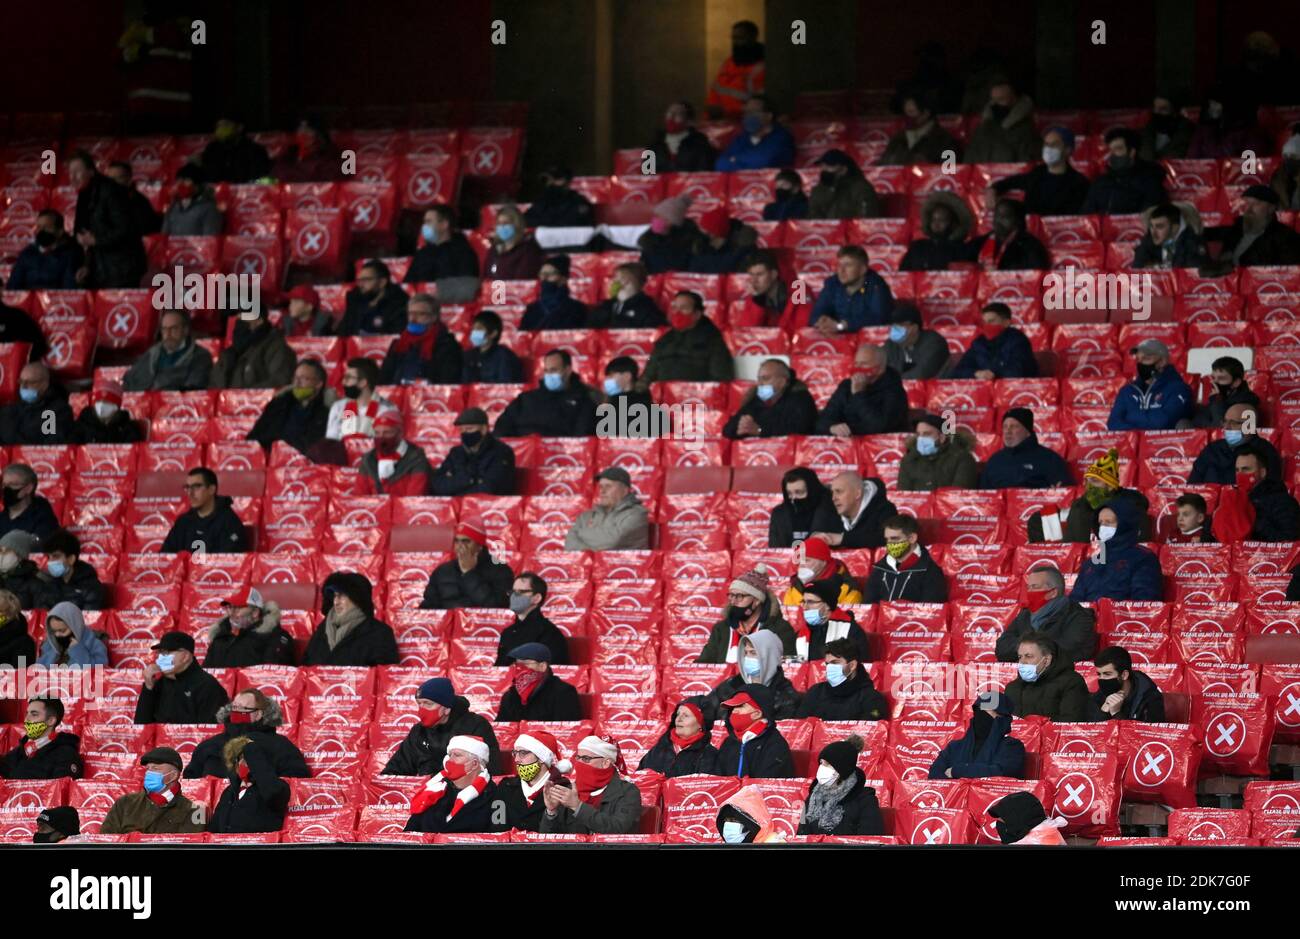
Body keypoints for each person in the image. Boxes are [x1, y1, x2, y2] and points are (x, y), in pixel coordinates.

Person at [382, 675, 502, 776]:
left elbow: (490, 768)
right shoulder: (419, 731)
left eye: (428, 704)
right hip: (427, 792)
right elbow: (396, 768)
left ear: (446, 708)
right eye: (420, 704)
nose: (422, 710)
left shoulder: (476, 726)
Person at [1028, 447, 1151, 543]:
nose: (1089, 486)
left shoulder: (1132, 507)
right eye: (1087, 481)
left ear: (1110, 486)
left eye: (1095, 481)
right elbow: (1072, 545)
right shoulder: (1080, 506)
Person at [67, 150, 145, 289]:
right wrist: (87, 266)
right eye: (70, 172)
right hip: (100, 270)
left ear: (91, 172)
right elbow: (87, 236)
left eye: (77, 171)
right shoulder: (84, 194)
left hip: (122, 271)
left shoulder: (112, 191)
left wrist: (96, 240)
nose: (72, 177)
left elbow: (126, 229)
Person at [186, 691, 308, 780]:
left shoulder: (280, 746)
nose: (236, 712)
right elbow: (191, 782)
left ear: (259, 714)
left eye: (242, 708)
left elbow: (296, 780)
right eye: (234, 707)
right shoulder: (209, 746)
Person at [539, 736, 641, 835]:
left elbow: (619, 829)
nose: (579, 763)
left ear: (606, 763)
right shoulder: (569, 791)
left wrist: (577, 806)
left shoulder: (627, 792)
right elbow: (548, 840)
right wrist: (551, 812)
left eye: (586, 758)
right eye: (578, 758)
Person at [405, 735, 506, 834]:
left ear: (474, 764)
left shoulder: (497, 799)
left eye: (457, 755)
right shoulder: (435, 790)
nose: (449, 760)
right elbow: (409, 834)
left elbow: (499, 838)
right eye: (449, 755)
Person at [996, 566, 1098, 664]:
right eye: (1028, 587)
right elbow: (1001, 649)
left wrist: (1024, 646)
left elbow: (1067, 651)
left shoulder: (1079, 617)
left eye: (1035, 587)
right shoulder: (1025, 615)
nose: (1029, 592)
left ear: (1053, 592)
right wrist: (1036, 647)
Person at [697, 565, 796, 663]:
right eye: (731, 595)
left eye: (740, 596)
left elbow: (787, 667)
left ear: (757, 601)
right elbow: (704, 663)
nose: (733, 601)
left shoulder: (780, 630)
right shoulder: (721, 629)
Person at [1070, 501, 1164, 603]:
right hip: (1086, 613)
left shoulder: (1143, 559)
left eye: (1109, 522)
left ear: (1124, 525)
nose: (1103, 527)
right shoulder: (1091, 563)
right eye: (1100, 523)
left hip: (1122, 613)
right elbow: (1075, 599)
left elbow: (1143, 602)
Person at [99, 747, 207, 835]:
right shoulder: (124, 803)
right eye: (148, 769)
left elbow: (190, 846)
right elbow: (105, 840)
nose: (148, 773)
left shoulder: (196, 811)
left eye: (155, 769)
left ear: (173, 775)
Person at [302, 571, 399, 666]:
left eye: (342, 596)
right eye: (335, 596)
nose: (336, 602)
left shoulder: (380, 633)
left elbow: (384, 673)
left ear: (357, 600)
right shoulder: (321, 631)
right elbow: (305, 667)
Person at [494, 349, 599, 437]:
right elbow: (502, 427)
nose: (549, 375)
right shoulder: (526, 399)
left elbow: (581, 438)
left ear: (567, 371)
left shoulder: (584, 401)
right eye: (546, 371)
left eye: (553, 370)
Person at [989, 126, 1090, 215]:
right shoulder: (1037, 173)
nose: (1048, 148)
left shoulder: (1079, 183)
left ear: (1067, 150)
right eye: (1046, 144)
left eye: (1054, 144)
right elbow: (1011, 182)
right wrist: (993, 189)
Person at [134, 631, 229, 724]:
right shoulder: (159, 683)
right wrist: (148, 689)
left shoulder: (207, 686)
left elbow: (210, 729)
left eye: (166, 653)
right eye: (160, 652)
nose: (160, 658)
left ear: (185, 656)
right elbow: (141, 726)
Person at [638, 291, 733, 384]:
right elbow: (648, 373)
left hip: (695, 393)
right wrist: (641, 385)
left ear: (697, 314)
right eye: (675, 308)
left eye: (684, 308)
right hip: (663, 393)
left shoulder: (713, 340)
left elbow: (720, 379)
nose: (677, 312)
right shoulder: (664, 340)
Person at [815, 343, 909, 436]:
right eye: (856, 363)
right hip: (847, 443)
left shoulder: (895, 391)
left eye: (864, 364)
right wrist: (832, 428)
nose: (858, 368)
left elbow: (878, 426)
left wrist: (858, 394)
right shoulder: (846, 386)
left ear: (880, 369)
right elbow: (822, 421)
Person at [797, 735, 883, 836]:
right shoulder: (813, 797)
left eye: (827, 764)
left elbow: (869, 840)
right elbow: (801, 836)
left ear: (842, 769)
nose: (821, 768)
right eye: (821, 763)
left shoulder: (865, 801)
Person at [707, 631, 801, 723]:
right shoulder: (731, 685)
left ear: (770, 657)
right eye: (745, 653)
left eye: (753, 653)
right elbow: (706, 708)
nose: (747, 658)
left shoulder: (786, 697)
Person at [1213, 444, 1300, 543]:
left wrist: (1253, 517)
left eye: (1246, 469)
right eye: (1237, 470)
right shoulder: (1233, 500)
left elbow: (1289, 542)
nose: (1240, 474)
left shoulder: (1283, 502)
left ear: (1262, 472)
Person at [929, 692, 1024, 780]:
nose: (981, 717)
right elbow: (934, 775)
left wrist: (958, 771)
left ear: (1001, 719)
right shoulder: (954, 747)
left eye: (986, 713)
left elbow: (1002, 773)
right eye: (979, 711)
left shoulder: (1011, 747)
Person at [421, 520, 513, 610]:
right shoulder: (442, 571)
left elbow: (498, 609)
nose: (460, 546)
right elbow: (428, 608)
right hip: (449, 620)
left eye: (466, 541)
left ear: (479, 546)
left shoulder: (501, 571)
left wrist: (469, 573)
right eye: (457, 541)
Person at [207, 735, 290, 834]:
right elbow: (214, 830)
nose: (248, 763)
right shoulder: (228, 793)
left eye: (251, 758)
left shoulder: (276, 787)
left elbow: (273, 793)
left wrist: (251, 749)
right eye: (243, 759)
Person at [246, 359, 333, 453]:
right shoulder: (278, 404)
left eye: (304, 379)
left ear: (318, 384)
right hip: (270, 456)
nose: (297, 383)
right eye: (295, 378)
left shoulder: (328, 411)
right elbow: (255, 436)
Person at [1203, 184, 1300, 267]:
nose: (1249, 209)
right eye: (1246, 203)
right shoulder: (1235, 226)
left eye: (1256, 204)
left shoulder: (1286, 238)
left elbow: (1285, 273)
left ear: (1271, 208)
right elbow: (1206, 234)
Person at [1107, 339, 1194, 431]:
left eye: (1146, 359)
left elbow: (1163, 422)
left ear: (1162, 361)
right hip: (1130, 441)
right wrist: (1144, 425)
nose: (1140, 364)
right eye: (1138, 359)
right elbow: (1113, 424)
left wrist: (1130, 416)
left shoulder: (1179, 389)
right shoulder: (1127, 391)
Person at [713, 683, 797, 778]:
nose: (734, 711)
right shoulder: (729, 743)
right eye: (732, 707)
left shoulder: (775, 744)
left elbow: (767, 783)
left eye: (740, 706)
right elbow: (718, 781)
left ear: (757, 713)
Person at [1002, 632, 1090, 722]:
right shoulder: (1012, 688)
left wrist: (1038, 725)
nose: (1022, 662)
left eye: (1029, 656)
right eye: (1020, 657)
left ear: (1047, 660)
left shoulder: (1072, 683)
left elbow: (1072, 721)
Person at [377, 293, 462, 385]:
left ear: (434, 317)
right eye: (410, 313)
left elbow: (448, 382)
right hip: (396, 392)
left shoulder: (447, 345)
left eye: (420, 314)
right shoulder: (397, 344)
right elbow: (383, 380)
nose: (413, 319)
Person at [429, 407, 516, 496]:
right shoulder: (456, 453)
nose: (465, 433)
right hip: (456, 504)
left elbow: (489, 488)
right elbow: (437, 485)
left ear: (484, 429)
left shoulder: (501, 452)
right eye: (461, 430)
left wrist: (455, 483)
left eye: (469, 429)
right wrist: (470, 480)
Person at [862, 515, 949, 603]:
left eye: (894, 538)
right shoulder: (879, 569)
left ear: (912, 538)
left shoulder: (930, 571)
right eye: (887, 539)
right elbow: (868, 606)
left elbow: (930, 609)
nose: (889, 543)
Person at [979, 408, 1073, 490]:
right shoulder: (994, 461)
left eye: (1014, 426)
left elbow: (1066, 492)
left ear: (1028, 432)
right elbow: (983, 496)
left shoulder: (1050, 459)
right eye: (1005, 426)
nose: (1008, 431)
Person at [161, 467, 250, 553]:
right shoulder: (183, 522)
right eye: (187, 487)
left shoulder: (229, 522)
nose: (190, 493)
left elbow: (227, 559)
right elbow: (165, 556)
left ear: (211, 489)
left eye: (196, 487)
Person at [121, 308, 213, 391]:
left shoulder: (200, 356)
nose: (168, 334)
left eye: (173, 329)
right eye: (164, 329)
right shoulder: (151, 354)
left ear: (185, 330)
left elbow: (193, 388)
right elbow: (128, 380)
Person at [808, 245, 894, 333]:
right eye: (839, 265)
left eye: (848, 265)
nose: (841, 270)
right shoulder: (832, 283)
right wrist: (821, 321)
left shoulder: (877, 286)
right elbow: (815, 316)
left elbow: (879, 319)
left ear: (863, 269)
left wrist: (842, 325)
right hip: (836, 336)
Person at [796, 639, 888, 721]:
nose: (829, 668)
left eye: (835, 663)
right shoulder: (815, 692)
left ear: (852, 665)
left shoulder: (872, 699)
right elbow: (801, 727)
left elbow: (868, 731)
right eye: (827, 664)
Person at [1081, 128, 1168, 215]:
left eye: (1118, 149)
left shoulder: (1150, 181)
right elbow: (1086, 215)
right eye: (1110, 150)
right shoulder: (1100, 182)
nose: (1112, 154)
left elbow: (1150, 215)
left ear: (1132, 152)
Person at [723, 358, 817, 438]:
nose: (760, 384)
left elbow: (799, 429)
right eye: (759, 379)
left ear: (782, 382)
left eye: (765, 378)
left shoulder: (801, 399)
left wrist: (760, 430)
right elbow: (728, 431)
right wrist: (741, 428)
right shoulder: (756, 399)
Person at [1190, 404, 1282, 485]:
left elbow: (1270, 489)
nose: (1227, 427)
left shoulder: (1266, 451)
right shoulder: (1212, 449)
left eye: (1234, 423)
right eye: (1225, 421)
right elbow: (1193, 485)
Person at [405, 204, 481, 301]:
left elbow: (467, 287)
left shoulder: (464, 252)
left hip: (450, 306)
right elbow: (408, 285)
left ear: (444, 224)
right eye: (424, 222)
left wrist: (434, 293)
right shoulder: (422, 254)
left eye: (428, 222)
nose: (424, 227)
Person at [203, 587, 294, 668]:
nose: (231, 613)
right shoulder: (220, 637)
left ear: (255, 613)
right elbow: (206, 674)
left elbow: (271, 677)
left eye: (237, 608)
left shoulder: (275, 638)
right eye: (229, 607)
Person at [498, 731, 571, 831]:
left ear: (541, 758)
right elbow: (496, 826)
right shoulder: (505, 786)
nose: (516, 759)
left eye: (523, 753)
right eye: (515, 753)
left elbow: (565, 833)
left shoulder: (562, 789)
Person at [563, 467, 650, 551]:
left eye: (608, 486)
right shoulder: (586, 516)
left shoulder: (637, 514)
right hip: (590, 562)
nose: (602, 491)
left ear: (625, 490)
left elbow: (613, 541)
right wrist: (595, 549)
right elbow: (569, 543)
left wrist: (579, 533)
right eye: (601, 487)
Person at [810, 470, 898, 549]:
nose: (834, 498)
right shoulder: (828, 507)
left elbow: (886, 538)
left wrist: (843, 539)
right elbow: (816, 533)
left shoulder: (885, 509)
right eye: (832, 492)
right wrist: (817, 536)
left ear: (857, 494)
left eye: (839, 492)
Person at [211, 308, 296, 389]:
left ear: (259, 321)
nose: (239, 322)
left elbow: (279, 381)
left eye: (245, 317)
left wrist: (245, 395)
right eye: (238, 318)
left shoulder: (276, 348)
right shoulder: (228, 354)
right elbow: (213, 386)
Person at [357, 409, 435, 496]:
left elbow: (414, 498)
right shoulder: (368, 460)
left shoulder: (417, 460)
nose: (381, 437)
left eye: (387, 433)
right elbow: (360, 495)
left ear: (400, 433)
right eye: (377, 433)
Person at [496, 642, 582, 721]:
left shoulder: (563, 693)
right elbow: (501, 727)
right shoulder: (510, 696)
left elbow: (565, 729)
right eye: (517, 664)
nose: (519, 668)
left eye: (525, 664)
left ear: (542, 666)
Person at [496, 573, 568, 666]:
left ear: (536, 598)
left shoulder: (549, 633)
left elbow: (550, 669)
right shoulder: (507, 633)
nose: (514, 596)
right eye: (512, 592)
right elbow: (499, 668)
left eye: (520, 592)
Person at [0, 698, 81, 779]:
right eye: (26, 714)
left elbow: (62, 785)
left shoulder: (66, 753)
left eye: (34, 714)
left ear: (51, 721)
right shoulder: (20, 751)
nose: (26, 719)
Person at [638, 698, 720, 777]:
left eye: (686, 716)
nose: (679, 719)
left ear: (700, 725)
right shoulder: (657, 750)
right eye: (678, 714)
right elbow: (639, 779)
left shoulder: (710, 756)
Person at [963, 79, 1039, 163]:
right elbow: (969, 159)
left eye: (1001, 99)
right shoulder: (982, 129)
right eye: (994, 100)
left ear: (1014, 100)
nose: (996, 104)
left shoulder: (1026, 130)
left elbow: (1027, 163)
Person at [1187, 87, 1274, 160]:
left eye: (1216, 104)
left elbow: (1251, 166)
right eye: (1210, 104)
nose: (1211, 108)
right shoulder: (1204, 130)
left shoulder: (1249, 132)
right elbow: (1191, 161)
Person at [898, 413, 979, 490]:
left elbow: (958, 494)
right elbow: (904, 495)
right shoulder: (909, 460)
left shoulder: (962, 459)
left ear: (942, 437)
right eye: (919, 434)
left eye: (927, 434)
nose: (921, 439)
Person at [714, 94, 794, 171]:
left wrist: (735, 159)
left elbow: (761, 161)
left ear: (768, 116)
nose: (748, 116)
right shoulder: (742, 138)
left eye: (753, 112)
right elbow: (720, 164)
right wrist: (744, 161)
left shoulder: (781, 138)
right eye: (746, 112)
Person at [879, 91, 962, 165]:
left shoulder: (945, 141)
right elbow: (883, 166)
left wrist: (926, 167)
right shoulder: (898, 139)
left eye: (911, 112)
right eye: (905, 112)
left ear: (926, 113)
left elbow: (949, 171)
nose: (907, 117)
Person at [6, 209, 81, 290]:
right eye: (39, 227)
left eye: (46, 227)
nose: (41, 231)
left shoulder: (70, 255)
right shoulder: (27, 254)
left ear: (60, 231)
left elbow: (69, 288)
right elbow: (13, 286)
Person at [0, 362, 73, 445]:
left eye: (29, 382)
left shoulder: (56, 412)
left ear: (44, 384)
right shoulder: (8, 411)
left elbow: (51, 446)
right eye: (21, 381)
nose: (23, 386)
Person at [900, 192, 975, 271]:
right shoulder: (917, 248)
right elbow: (903, 274)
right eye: (934, 219)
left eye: (942, 220)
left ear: (952, 223)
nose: (936, 223)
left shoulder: (962, 250)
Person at [782, 534, 864, 606]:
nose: (801, 565)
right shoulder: (794, 589)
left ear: (823, 561)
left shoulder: (848, 590)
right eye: (799, 562)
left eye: (807, 560)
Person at [1090, 646, 1166, 722]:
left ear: (1124, 675)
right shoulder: (1101, 694)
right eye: (1099, 674)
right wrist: (1103, 713)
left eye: (1107, 674)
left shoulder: (1150, 697)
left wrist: (1116, 713)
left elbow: (1150, 729)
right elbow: (1090, 727)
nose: (1102, 678)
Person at [971, 198, 1049, 271]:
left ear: (1017, 220)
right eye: (996, 215)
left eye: (1005, 217)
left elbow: (1037, 272)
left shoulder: (1030, 246)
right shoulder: (982, 242)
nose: (998, 220)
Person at [33, 531, 106, 610]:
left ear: (71, 559)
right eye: (48, 557)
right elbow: (41, 612)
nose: (50, 562)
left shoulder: (90, 587)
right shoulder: (50, 586)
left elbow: (90, 615)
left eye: (56, 556)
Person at [707, 20, 765, 118]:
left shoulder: (761, 68)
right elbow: (715, 92)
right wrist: (710, 111)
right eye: (734, 38)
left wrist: (727, 111)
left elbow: (760, 105)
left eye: (741, 38)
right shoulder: (728, 62)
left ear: (753, 37)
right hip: (721, 121)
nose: (736, 42)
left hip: (746, 122)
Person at [325, 358, 393, 440]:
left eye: (348, 377)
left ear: (363, 383)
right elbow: (331, 439)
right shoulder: (338, 407)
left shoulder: (385, 410)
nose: (343, 382)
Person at [338, 260, 409, 336]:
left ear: (382, 282)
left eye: (366, 280)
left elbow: (397, 335)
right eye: (359, 280)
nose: (361, 285)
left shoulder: (400, 304)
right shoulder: (355, 300)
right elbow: (343, 333)